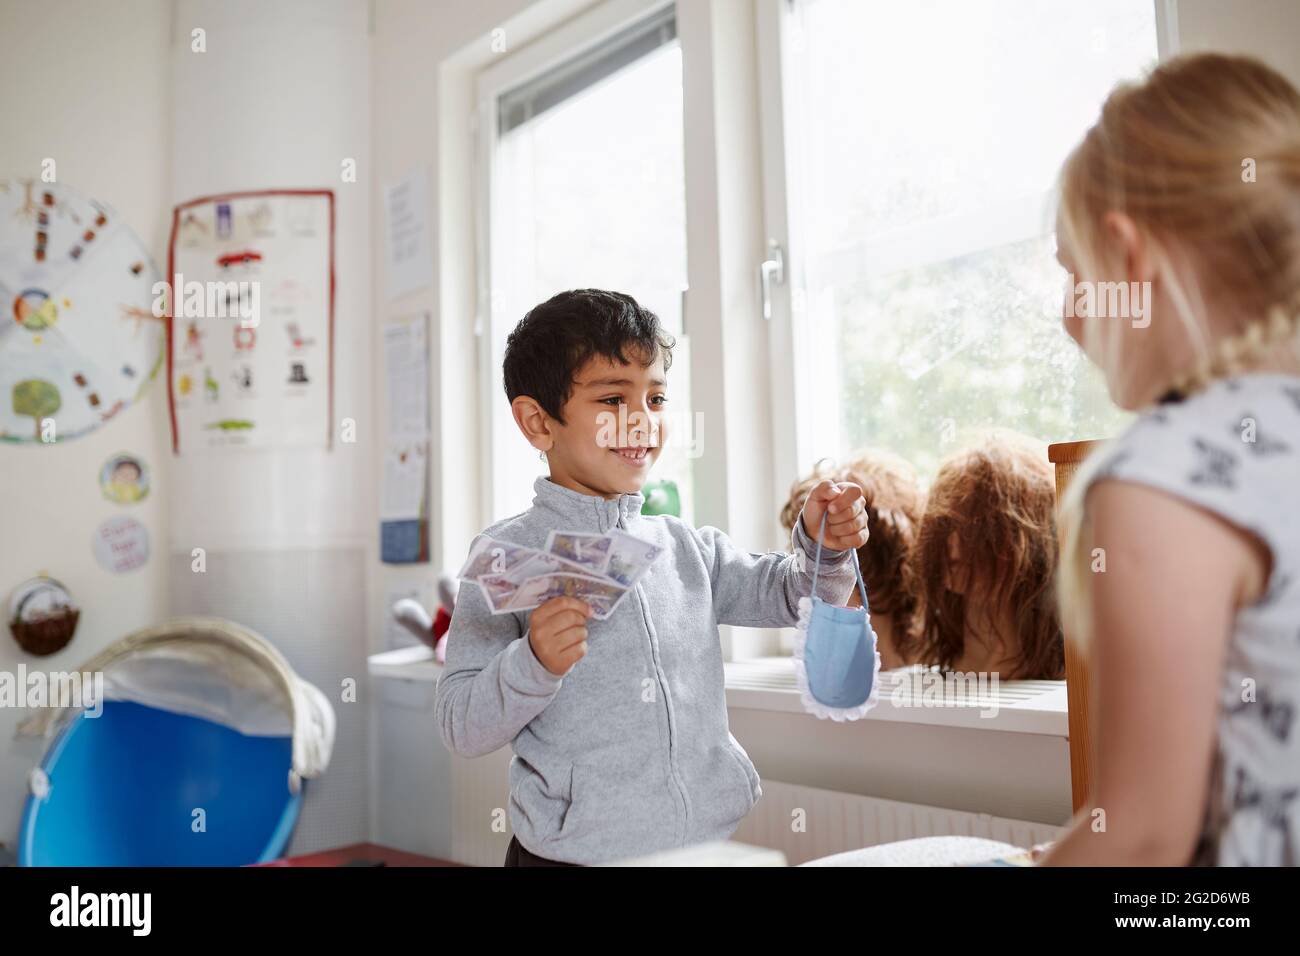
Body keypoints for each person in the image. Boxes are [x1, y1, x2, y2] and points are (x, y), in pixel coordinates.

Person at [434, 289, 869, 866]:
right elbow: (462, 725)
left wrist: (824, 547)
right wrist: (533, 663)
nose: (641, 421)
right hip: (569, 858)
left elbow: (795, 597)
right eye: (613, 398)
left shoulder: (685, 547)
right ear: (538, 422)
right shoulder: (505, 555)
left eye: (657, 398)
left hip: (702, 848)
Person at [1041, 53, 1300, 865]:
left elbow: (1144, 840)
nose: (1069, 320)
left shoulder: (1167, 472)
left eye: (1073, 275)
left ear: (1128, 255)